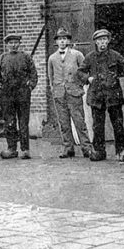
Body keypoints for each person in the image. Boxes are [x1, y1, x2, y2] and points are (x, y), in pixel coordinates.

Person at [79, 29, 124, 162]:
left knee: (118, 125)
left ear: (108, 41)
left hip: (113, 95)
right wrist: (88, 78)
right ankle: (99, 151)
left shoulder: (115, 56)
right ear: (96, 42)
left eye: (104, 39)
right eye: (99, 40)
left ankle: (121, 152)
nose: (102, 42)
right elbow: (80, 72)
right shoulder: (90, 57)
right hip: (96, 96)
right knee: (97, 126)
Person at [46, 27, 91, 158]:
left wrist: (79, 86)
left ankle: (86, 147)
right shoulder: (52, 58)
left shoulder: (77, 55)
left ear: (68, 41)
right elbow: (51, 76)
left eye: (64, 39)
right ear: (56, 41)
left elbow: (84, 71)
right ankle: (68, 147)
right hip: (60, 94)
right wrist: (55, 90)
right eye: (60, 39)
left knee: (79, 121)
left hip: (74, 93)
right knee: (64, 122)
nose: (62, 41)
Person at [0, 34, 38, 159]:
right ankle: (11, 148)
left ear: (19, 44)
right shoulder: (2, 58)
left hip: (23, 94)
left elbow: (33, 74)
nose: (13, 45)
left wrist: (30, 87)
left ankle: (25, 149)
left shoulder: (26, 57)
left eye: (16, 42)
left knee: (23, 122)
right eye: (11, 42)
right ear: (7, 44)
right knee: (10, 122)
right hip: (7, 95)